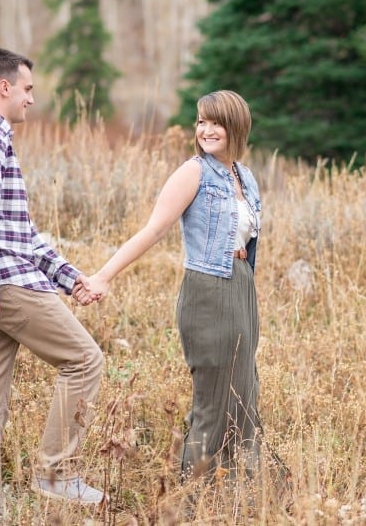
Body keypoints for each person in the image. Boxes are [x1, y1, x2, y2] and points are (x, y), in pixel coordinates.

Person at [77, 90, 279, 490]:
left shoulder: (245, 176)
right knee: (213, 402)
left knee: (244, 396)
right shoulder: (194, 172)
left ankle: (240, 490)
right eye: (201, 121)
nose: (205, 130)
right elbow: (154, 229)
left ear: (235, 126)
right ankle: (192, 495)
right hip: (207, 291)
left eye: (215, 122)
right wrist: (103, 275)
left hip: (242, 288)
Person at [0, 48, 105, 521]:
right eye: (28, 89)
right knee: (84, 360)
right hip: (3, 285)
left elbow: (19, 232)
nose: (32, 99)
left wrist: (70, 279)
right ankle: (56, 473)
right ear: (5, 87)